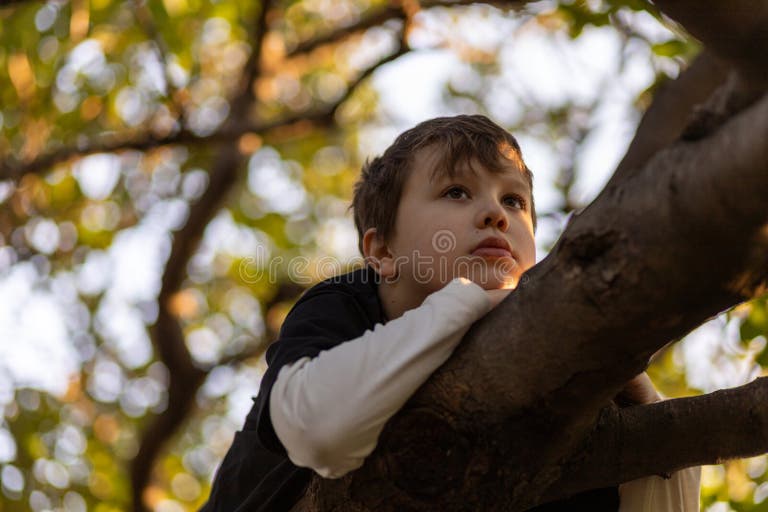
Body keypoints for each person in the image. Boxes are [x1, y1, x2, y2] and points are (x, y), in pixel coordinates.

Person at [200, 115, 700, 511]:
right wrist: (468, 299)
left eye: (514, 200)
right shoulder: (344, 305)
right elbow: (320, 434)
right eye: (456, 192)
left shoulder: (558, 369)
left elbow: (662, 488)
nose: (496, 214)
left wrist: (635, 391)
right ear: (382, 251)